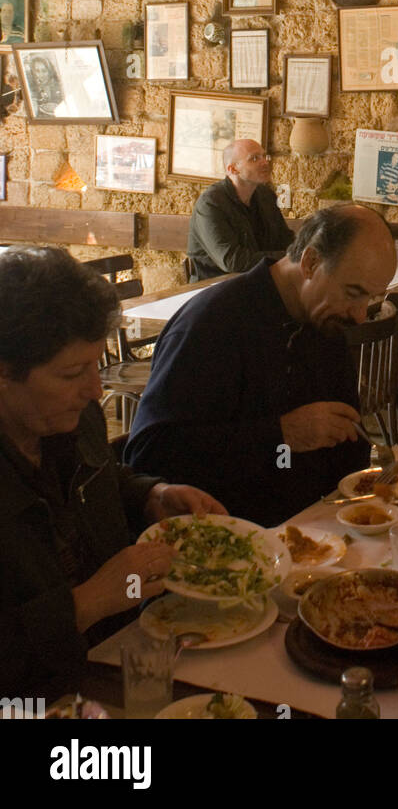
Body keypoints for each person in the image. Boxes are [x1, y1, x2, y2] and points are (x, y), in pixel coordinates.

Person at [0, 248, 225, 700]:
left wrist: (150, 494)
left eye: (95, 365)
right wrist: (89, 601)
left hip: (119, 659)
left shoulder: (75, 419)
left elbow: (96, 481)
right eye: (72, 373)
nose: (94, 389)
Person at [126, 205, 396, 527]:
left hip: (321, 535)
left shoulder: (326, 322)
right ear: (310, 263)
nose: (361, 314)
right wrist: (281, 434)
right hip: (227, 542)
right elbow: (148, 456)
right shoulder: (211, 324)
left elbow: (348, 444)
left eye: (371, 299)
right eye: (354, 293)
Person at [186, 138, 294, 280]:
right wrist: (290, 255)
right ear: (232, 169)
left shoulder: (265, 196)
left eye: (264, 156)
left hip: (254, 282)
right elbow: (232, 261)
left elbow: (284, 239)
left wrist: (304, 249)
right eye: (254, 158)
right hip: (213, 288)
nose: (265, 162)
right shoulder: (211, 204)